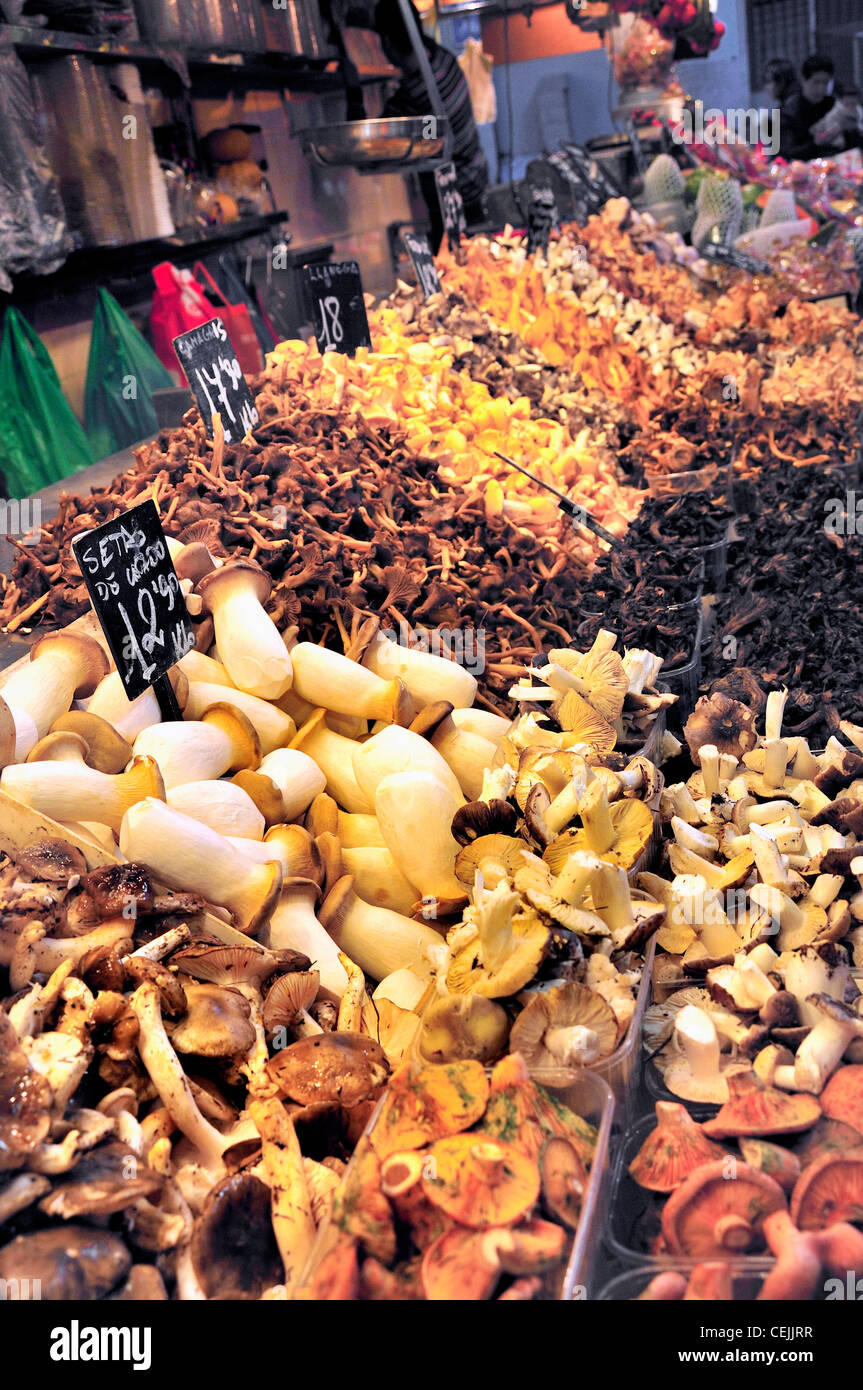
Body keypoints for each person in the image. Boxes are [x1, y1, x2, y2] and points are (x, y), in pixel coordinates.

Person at [372, 0, 489, 249]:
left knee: (455, 263)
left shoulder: (414, 94)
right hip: (476, 182)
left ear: (387, 43)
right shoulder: (443, 59)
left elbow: (377, 145)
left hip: (453, 200)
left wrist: (353, 92)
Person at [781, 54, 862, 161]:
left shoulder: (834, 106)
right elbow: (785, 154)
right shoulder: (788, 113)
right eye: (816, 82)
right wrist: (816, 143)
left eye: (825, 82)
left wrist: (849, 130)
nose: (821, 89)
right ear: (803, 80)